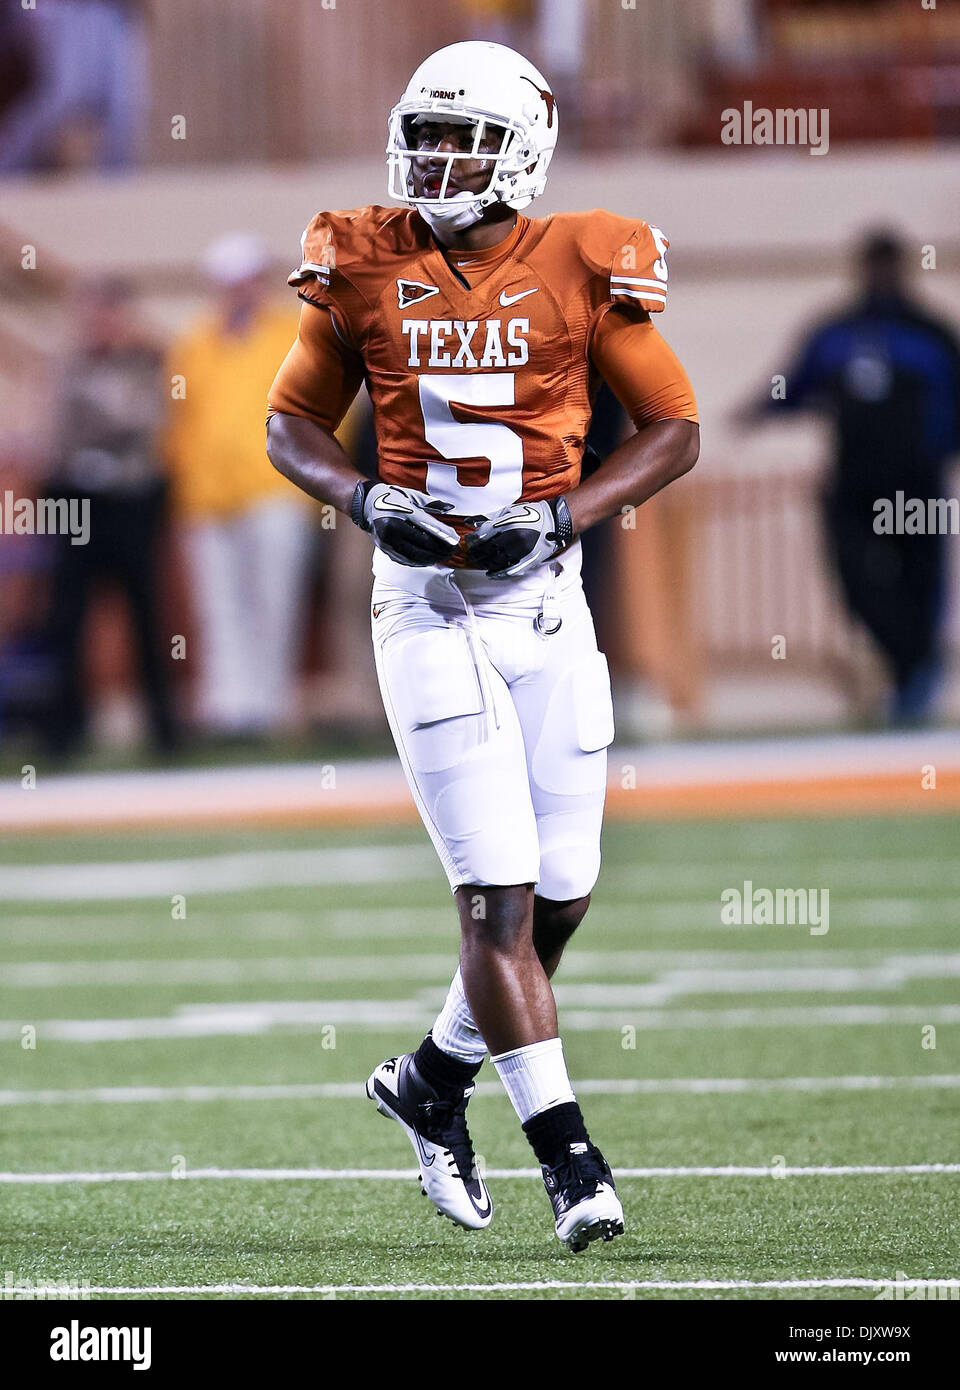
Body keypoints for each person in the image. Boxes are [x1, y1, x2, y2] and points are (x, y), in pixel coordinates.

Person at [267, 41, 699, 1252]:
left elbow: (674, 427)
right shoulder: (362, 259)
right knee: (497, 898)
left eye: (463, 138)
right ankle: (572, 1161)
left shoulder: (580, 259)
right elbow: (288, 421)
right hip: (425, 607)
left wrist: (566, 512)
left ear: (523, 148)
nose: (436, 160)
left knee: (562, 895)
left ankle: (430, 1080)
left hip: (550, 604)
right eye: (425, 134)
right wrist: (359, 500)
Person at [745, 231, 960, 722]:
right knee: (855, 580)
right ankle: (908, 664)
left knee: (921, 583)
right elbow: (794, 386)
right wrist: (753, 413)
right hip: (854, 484)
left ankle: (916, 677)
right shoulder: (835, 333)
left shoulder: (931, 334)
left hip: (916, 485)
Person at [165, 234, 313, 741]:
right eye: (228, 283)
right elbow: (180, 420)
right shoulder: (195, 341)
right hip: (208, 494)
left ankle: (269, 707)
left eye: (245, 281)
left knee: (274, 599)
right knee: (218, 604)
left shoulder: (291, 335)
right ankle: (229, 708)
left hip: (275, 488)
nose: (237, 291)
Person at [44, 278, 175, 757]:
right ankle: (62, 732)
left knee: (146, 613)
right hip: (75, 500)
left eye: (106, 314)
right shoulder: (68, 365)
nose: (97, 325)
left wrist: (95, 423)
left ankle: (164, 731)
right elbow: (57, 436)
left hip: (131, 499)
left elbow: (140, 422)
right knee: (67, 616)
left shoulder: (146, 362)